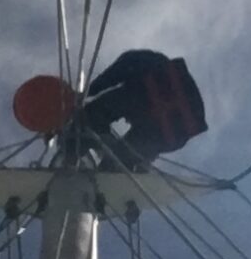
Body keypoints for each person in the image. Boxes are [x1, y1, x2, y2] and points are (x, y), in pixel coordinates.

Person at [77, 49, 207, 170]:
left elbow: (109, 78)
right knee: (121, 159)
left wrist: (85, 94)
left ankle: (73, 148)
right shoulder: (156, 66)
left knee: (90, 116)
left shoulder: (132, 65)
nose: (127, 121)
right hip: (178, 133)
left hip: (154, 101)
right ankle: (129, 168)